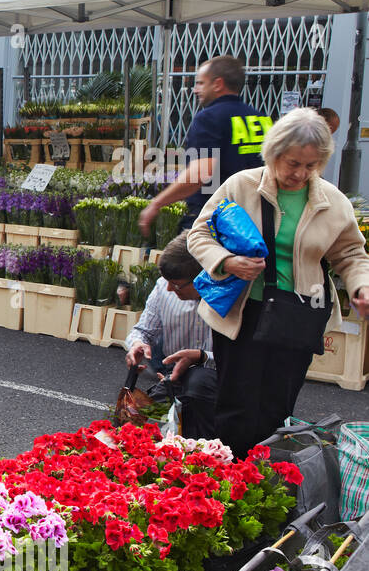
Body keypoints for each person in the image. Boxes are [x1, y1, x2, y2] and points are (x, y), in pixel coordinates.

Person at [187, 107, 369, 457]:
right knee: (235, 407)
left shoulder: (333, 202)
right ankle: (230, 480)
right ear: (273, 154)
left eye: (311, 165)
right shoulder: (241, 185)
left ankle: (263, 480)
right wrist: (227, 261)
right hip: (243, 314)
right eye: (292, 163)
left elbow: (351, 255)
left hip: (298, 316)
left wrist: (360, 287)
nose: (301, 173)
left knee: (276, 409)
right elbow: (199, 235)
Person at [139, 56, 271, 238]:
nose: (195, 89)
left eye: (201, 83)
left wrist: (156, 203)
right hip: (255, 220)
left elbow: (199, 173)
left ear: (218, 84)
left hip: (216, 218)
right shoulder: (262, 119)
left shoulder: (209, 118)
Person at [124, 234, 217, 439]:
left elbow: (243, 360)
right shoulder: (163, 289)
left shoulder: (230, 296)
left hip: (217, 380)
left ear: (202, 277)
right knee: (128, 423)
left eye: (175, 284)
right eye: (167, 282)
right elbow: (142, 331)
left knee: (197, 384)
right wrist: (137, 344)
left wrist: (202, 356)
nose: (168, 289)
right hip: (172, 377)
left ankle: (202, 453)